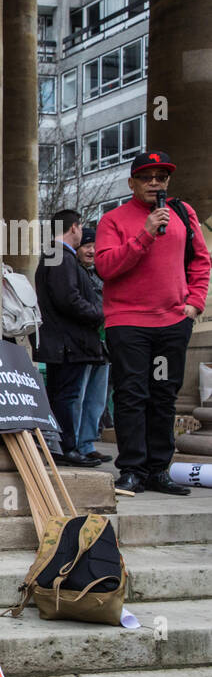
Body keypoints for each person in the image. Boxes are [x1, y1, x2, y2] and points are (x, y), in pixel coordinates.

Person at [95, 150, 210, 496]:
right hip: (129, 324)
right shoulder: (113, 220)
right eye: (147, 177)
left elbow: (201, 261)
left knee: (163, 396)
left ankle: (159, 470)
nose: (155, 183)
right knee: (132, 395)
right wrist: (144, 235)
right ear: (132, 183)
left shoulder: (182, 212)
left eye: (161, 177)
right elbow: (106, 267)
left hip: (171, 323)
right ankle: (132, 470)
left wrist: (194, 303)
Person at [33, 209, 106, 468]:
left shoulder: (57, 256)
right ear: (74, 228)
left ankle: (63, 447)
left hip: (64, 342)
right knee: (67, 396)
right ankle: (68, 448)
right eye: (81, 229)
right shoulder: (61, 256)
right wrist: (100, 313)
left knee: (62, 395)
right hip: (68, 344)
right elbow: (69, 299)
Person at [71, 227, 111, 463]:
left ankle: (87, 444)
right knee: (78, 396)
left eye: (95, 246)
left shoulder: (102, 274)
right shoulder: (72, 272)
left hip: (104, 345)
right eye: (87, 245)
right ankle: (74, 443)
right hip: (82, 345)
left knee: (97, 399)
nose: (92, 251)